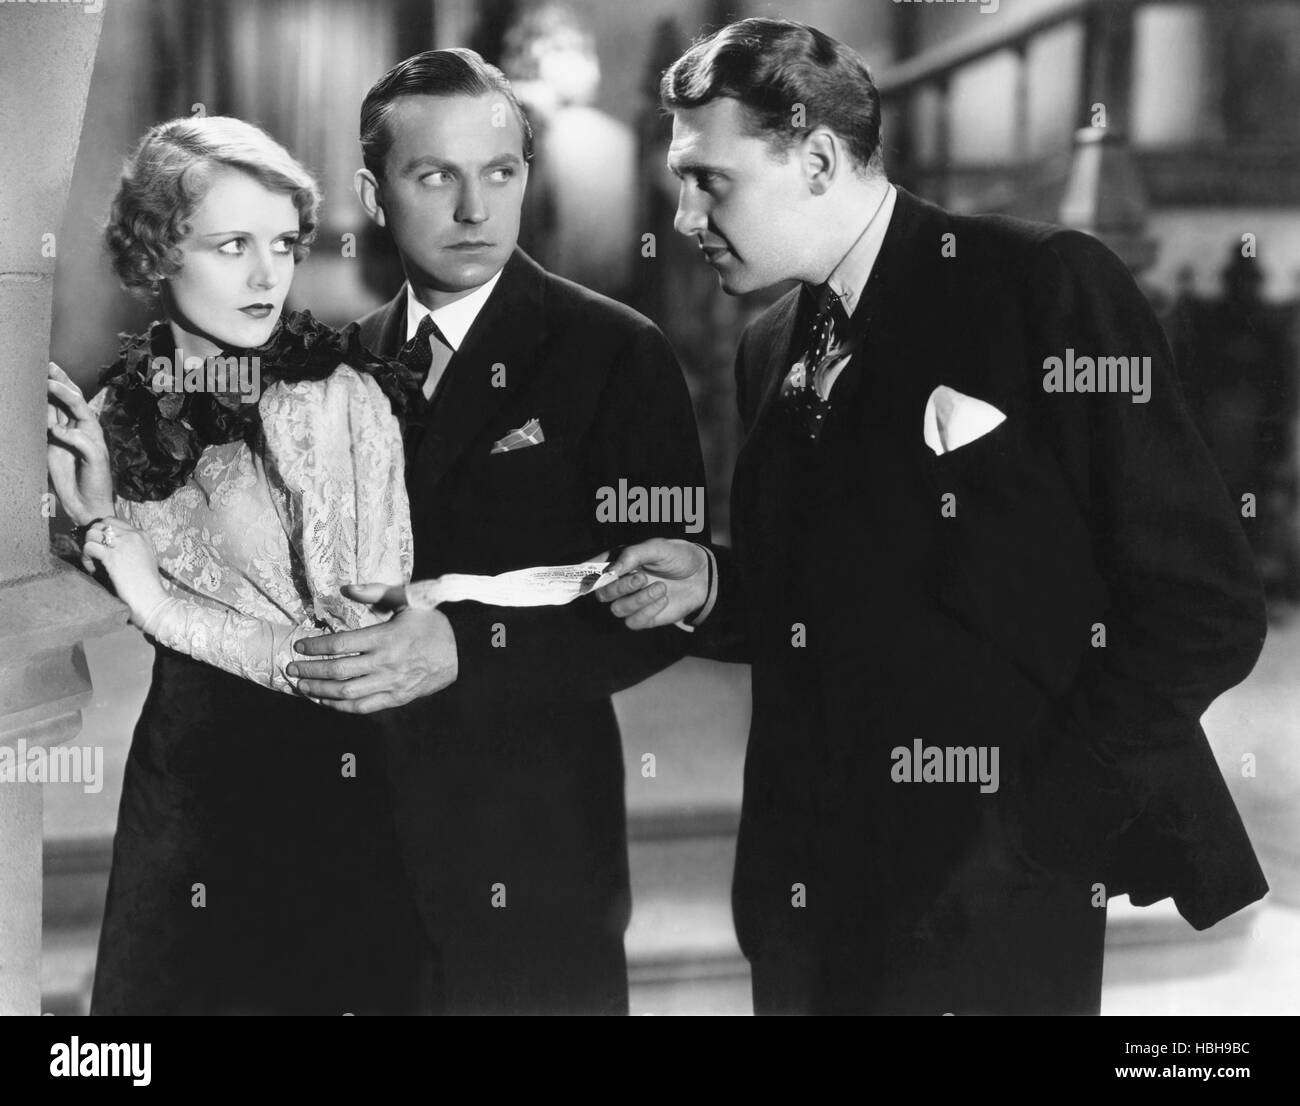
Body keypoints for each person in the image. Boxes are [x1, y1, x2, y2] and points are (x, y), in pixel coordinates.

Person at [598, 17, 1270, 1015]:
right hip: (805, 897)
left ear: (818, 157)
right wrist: (711, 584)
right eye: (679, 183)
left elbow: (1201, 609)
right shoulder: (766, 343)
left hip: (992, 892)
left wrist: (1034, 829)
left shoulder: (1043, 284)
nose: (686, 215)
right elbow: (836, 595)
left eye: (711, 181)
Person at [280, 49, 708, 1014]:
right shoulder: (335, 370)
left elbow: (660, 608)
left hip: (537, 839)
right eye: (436, 177)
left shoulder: (615, 351)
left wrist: (466, 649)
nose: (476, 211)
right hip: (359, 834)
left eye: (501, 174)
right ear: (374, 193)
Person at [46, 115, 438, 1014]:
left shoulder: (344, 395)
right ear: (157, 252)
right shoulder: (104, 423)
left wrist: (151, 594)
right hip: (183, 790)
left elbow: (345, 653)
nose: (269, 276)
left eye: (284, 244)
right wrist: (97, 521)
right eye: (232, 246)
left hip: (329, 783)